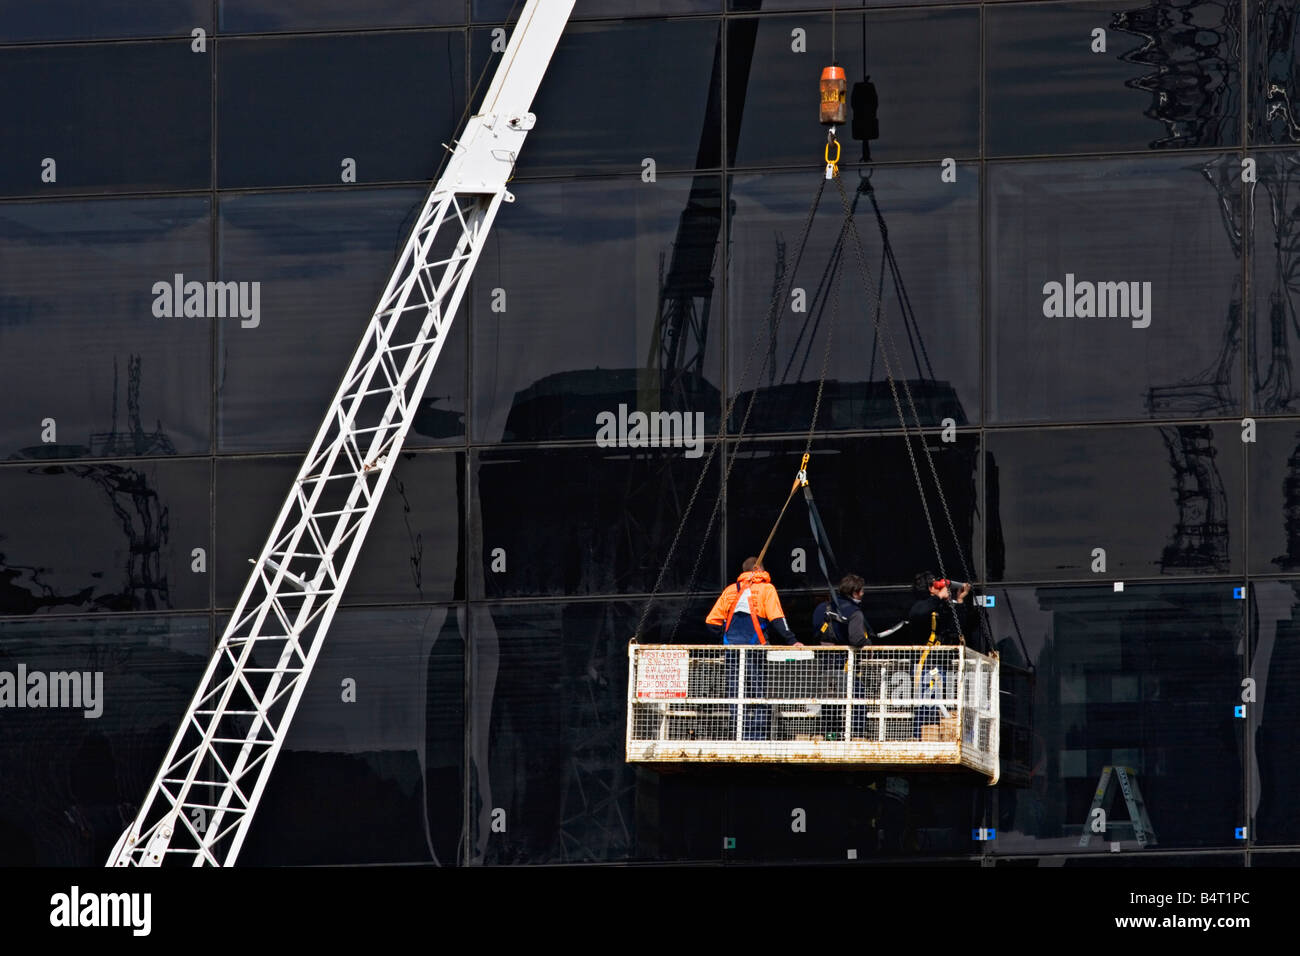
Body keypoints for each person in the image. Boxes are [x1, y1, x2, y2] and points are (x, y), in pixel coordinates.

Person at [705, 557, 800, 741]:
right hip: (755, 648)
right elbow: (777, 618)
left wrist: (724, 638)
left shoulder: (730, 590)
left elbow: (711, 621)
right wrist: (792, 640)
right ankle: (757, 734)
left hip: (731, 649)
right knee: (758, 690)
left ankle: (738, 732)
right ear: (760, 570)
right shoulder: (766, 589)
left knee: (735, 690)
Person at [906, 571, 971, 738]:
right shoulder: (920, 606)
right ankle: (921, 738)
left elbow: (958, 629)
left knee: (939, 704)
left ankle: (935, 736)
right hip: (925, 664)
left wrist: (960, 600)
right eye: (936, 584)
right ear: (930, 588)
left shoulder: (940, 606)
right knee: (926, 704)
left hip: (940, 665)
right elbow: (918, 613)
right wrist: (938, 597)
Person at [812, 573, 877, 647]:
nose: (863, 593)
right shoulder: (855, 613)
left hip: (820, 655)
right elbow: (857, 640)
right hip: (843, 657)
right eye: (862, 590)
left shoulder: (821, 607)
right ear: (855, 593)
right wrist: (868, 644)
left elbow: (816, 633)